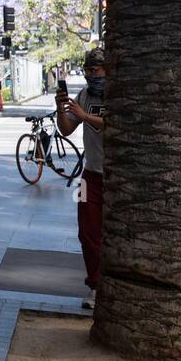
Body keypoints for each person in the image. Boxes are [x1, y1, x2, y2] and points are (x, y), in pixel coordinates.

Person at [57, 47, 106, 310]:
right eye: (87, 70)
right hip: (90, 175)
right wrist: (60, 108)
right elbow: (66, 129)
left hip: (116, 178)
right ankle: (95, 286)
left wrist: (86, 116)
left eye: (95, 70)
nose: (91, 75)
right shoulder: (84, 95)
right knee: (87, 232)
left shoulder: (120, 95)